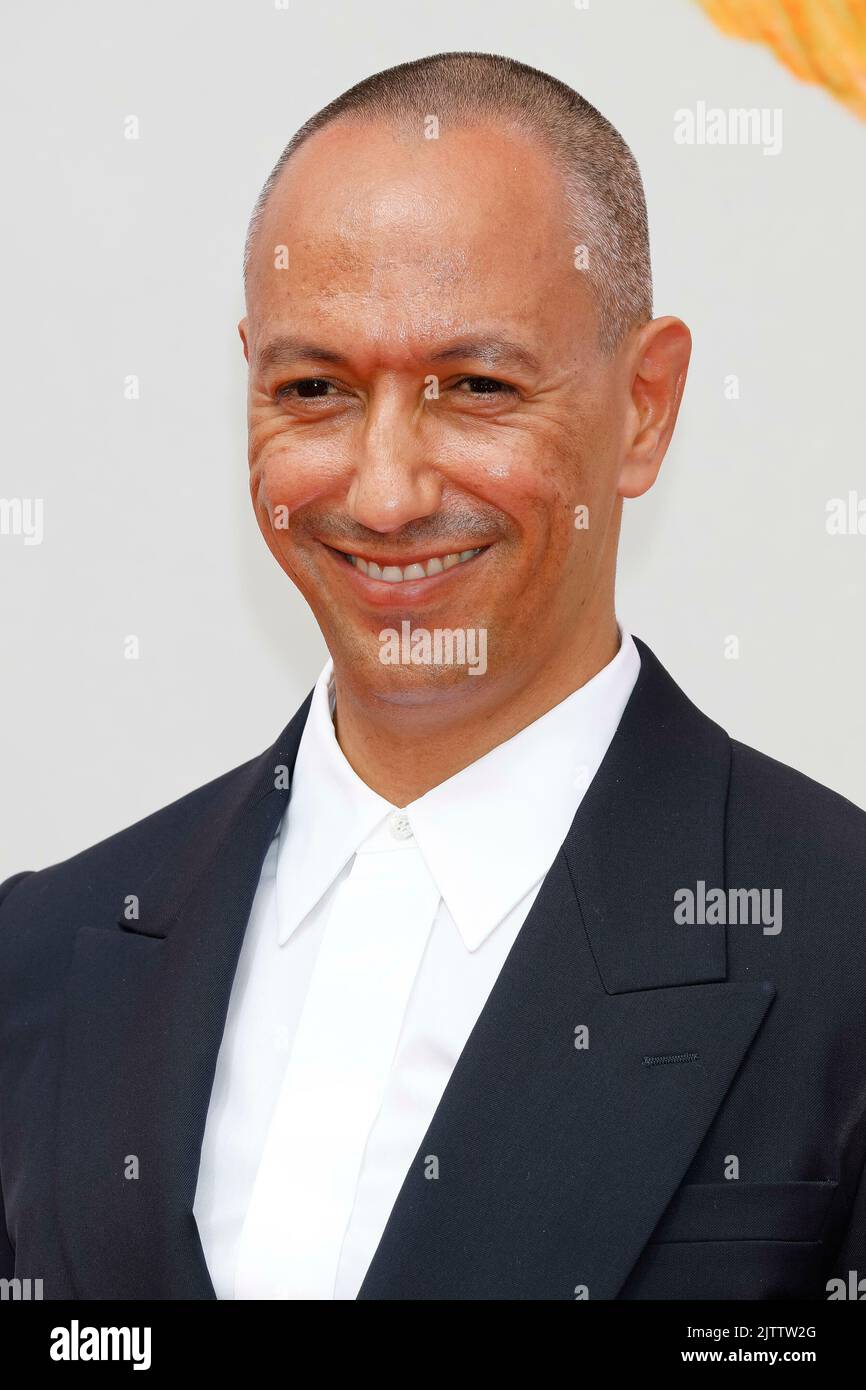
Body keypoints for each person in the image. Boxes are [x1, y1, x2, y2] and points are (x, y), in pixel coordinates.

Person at [1, 51, 864, 1301]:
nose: (385, 490)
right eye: (314, 389)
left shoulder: (834, 944)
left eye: (474, 387)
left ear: (644, 404)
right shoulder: (40, 957)